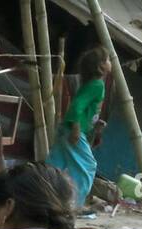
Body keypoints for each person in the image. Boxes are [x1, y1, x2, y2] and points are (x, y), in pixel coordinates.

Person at [47, 47, 111, 209]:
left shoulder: (91, 84)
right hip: (72, 130)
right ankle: (76, 205)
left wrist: (95, 124)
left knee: (55, 167)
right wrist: (76, 129)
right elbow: (76, 106)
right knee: (88, 166)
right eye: (107, 60)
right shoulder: (97, 85)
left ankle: (43, 197)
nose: (111, 63)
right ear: (100, 67)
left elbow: (85, 109)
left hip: (66, 127)